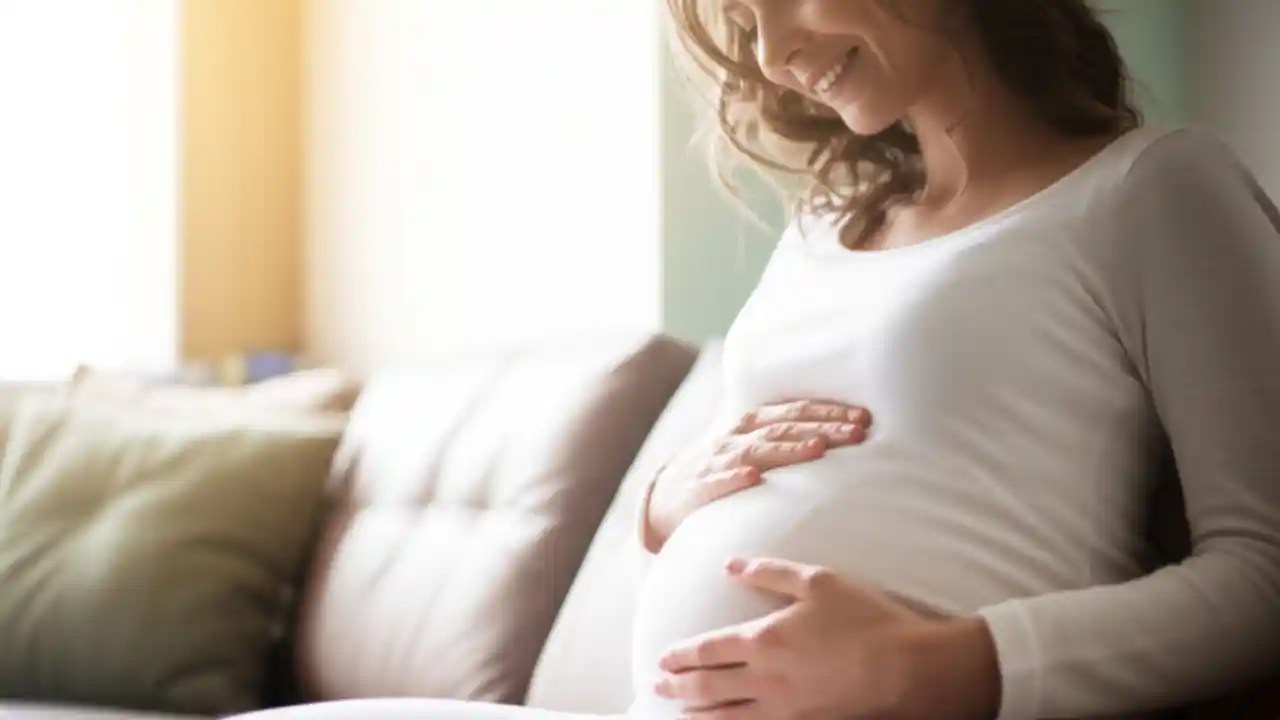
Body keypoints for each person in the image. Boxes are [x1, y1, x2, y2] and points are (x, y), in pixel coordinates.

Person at [233, 1, 1280, 719]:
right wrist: (663, 499)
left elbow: (1259, 578)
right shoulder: (822, 226)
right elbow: (760, 470)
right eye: (741, 17)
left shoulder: (1154, 190)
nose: (773, 49)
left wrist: (940, 668)